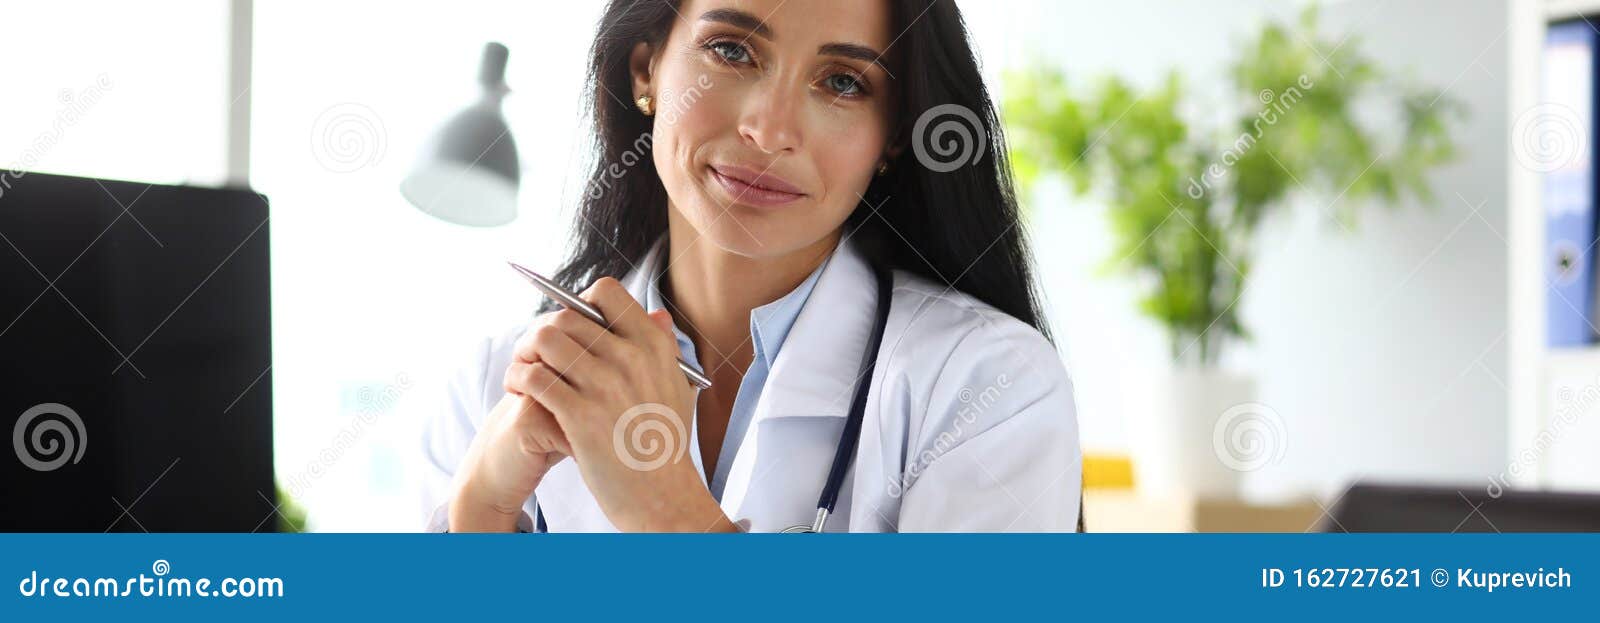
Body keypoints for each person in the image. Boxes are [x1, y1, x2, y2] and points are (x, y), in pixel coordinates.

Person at [421, 0, 1080, 532]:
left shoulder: (990, 389)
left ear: (893, 136)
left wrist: (669, 516)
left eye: (843, 82)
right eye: (732, 51)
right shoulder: (490, 385)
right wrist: (479, 512)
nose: (769, 128)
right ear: (646, 70)